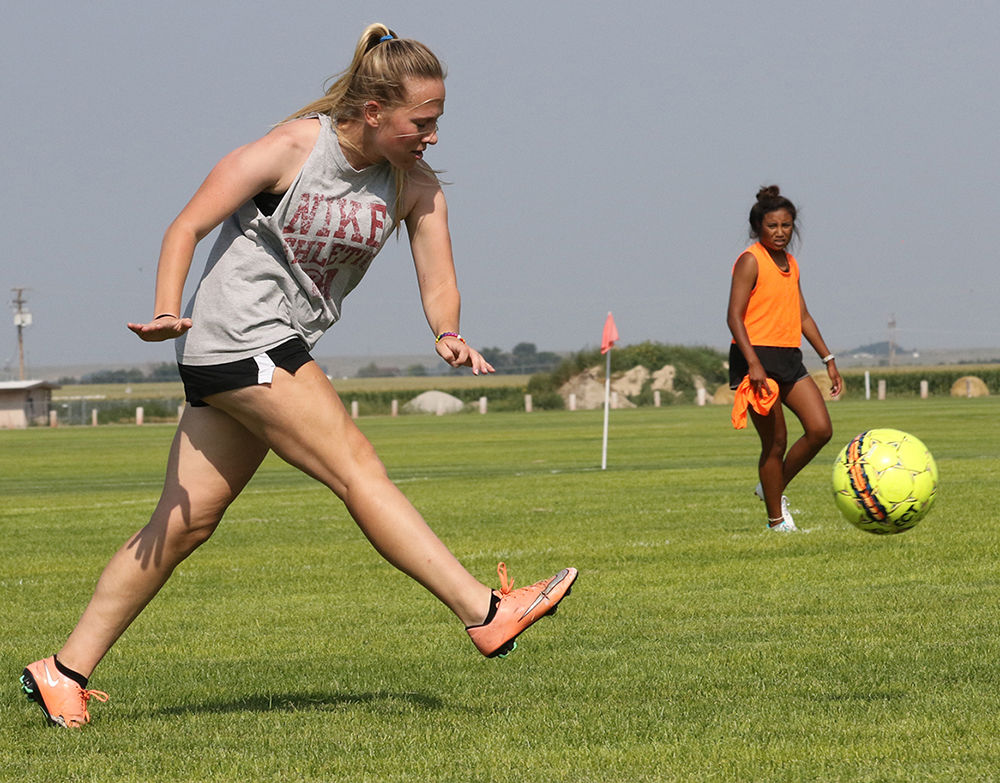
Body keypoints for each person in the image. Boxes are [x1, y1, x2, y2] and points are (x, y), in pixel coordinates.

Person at [20, 23, 577, 729]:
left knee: (183, 523)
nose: (433, 134)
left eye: (438, 120)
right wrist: (166, 308)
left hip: (258, 350)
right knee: (358, 467)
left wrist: (448, 332)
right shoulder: (294, 147)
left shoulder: (414, 184)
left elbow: (438, 274)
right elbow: (185, 227)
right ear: (375, 111)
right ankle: (484, 610)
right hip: (239, 338)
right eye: (422, 120)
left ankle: (63, 669)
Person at [726, 185, 842, 532]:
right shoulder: (750, 261)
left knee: (820, 430)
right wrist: (754, 364)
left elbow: (802, 315)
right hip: (755, 357)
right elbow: (734, 316)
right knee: (775, 442)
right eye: (772, 226)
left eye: (786, 226)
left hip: (789, 357)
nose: (780, 233)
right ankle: (777, 521)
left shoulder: (791, 263)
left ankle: (771, 489)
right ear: (757, 227)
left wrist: (828, 358)